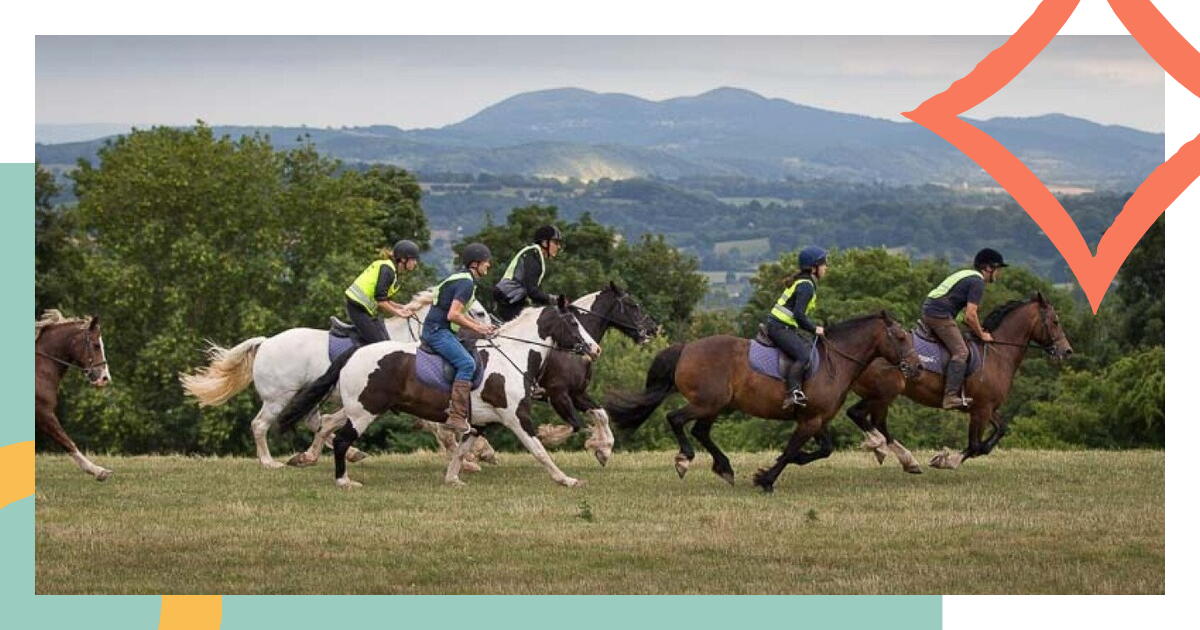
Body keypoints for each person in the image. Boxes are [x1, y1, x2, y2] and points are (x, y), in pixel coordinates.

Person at [422, 242, 498, 435]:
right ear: (475, 264)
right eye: (486, 262)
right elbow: (453, 315)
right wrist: (478, 328)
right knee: (466, 364)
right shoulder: (466, 282)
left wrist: (481, 327)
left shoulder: (462, 279)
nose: (488, 265)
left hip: (442, 330)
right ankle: (457, 416)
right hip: (438, 331)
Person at [921, 247, 1007, 409]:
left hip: (933, 310)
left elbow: (962, 316)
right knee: (962, 351)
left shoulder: (967, 275)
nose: (998, 273)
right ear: (988, 268)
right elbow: (970, 315)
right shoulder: (977, 282)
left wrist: (977, 328)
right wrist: (982, 335)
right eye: (997, 269)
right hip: (939, 314)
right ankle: (950, 396)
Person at [764, 246, 827, 410]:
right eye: (823, 264)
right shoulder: (806, 286)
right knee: (804, 355)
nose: (826, 267)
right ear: (813, 268)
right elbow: (799, 315)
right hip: (779, 328)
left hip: (783, 326)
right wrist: (814, 329)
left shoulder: (802, 282)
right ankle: (793, 393)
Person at [343, 240, 421, 343]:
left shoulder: (392, 270)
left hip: (363, 309)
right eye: (413, 259)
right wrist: (399, 313)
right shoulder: (387, 270)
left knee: (386, 338)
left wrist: (402, 307)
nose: (415, 263)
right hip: (357, 308)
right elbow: (381, 302)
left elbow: (385, 300)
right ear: (403, 259)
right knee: (380, 343)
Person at [492, 224, 564, 322]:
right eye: (556, 242)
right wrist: (555, 299)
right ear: (544, 243)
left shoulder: (534, 255)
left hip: (511, 300)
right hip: (509, 302)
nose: (558, 247)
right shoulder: (533, 257)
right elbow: (533, 292)